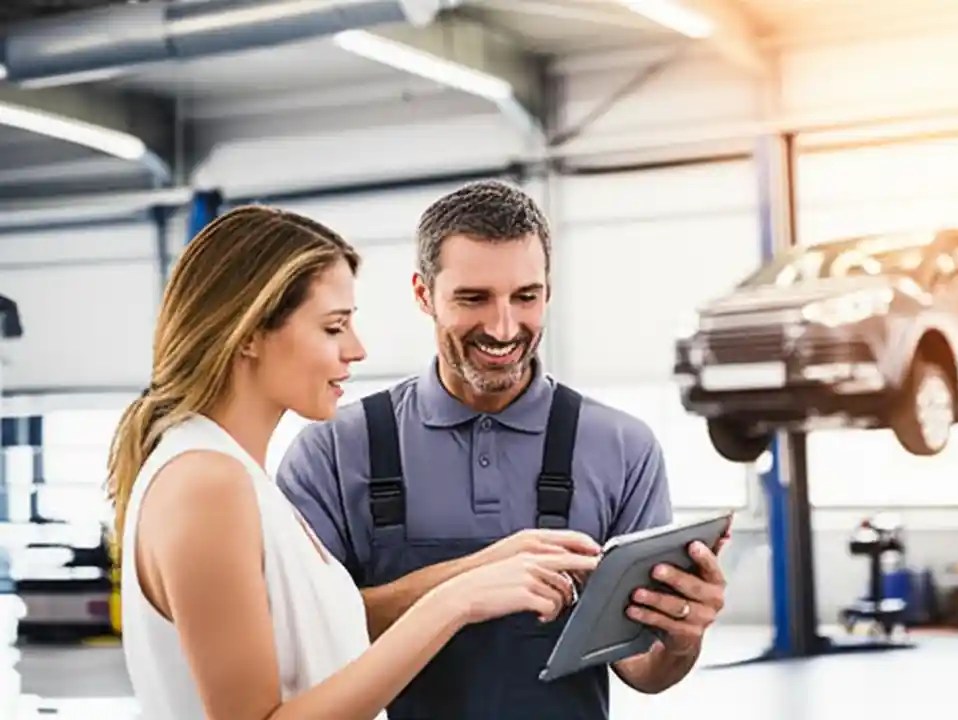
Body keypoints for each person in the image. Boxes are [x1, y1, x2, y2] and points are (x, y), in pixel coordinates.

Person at [106, 205, 599, 720]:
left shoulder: (233, 477)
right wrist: (456, 603)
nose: (357, 350)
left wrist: (487, 563)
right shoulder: (207, 483)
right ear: (248, 332)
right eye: (333, 327)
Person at [276, 179, 730, 720]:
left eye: (526, 296)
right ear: (424, 294)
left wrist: (681, 637)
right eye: (473, 298)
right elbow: (306, 642)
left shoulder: (622, 448)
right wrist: (475, 579)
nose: (503, 326)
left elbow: (644, 669)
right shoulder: (332, 451)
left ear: (548, 291)